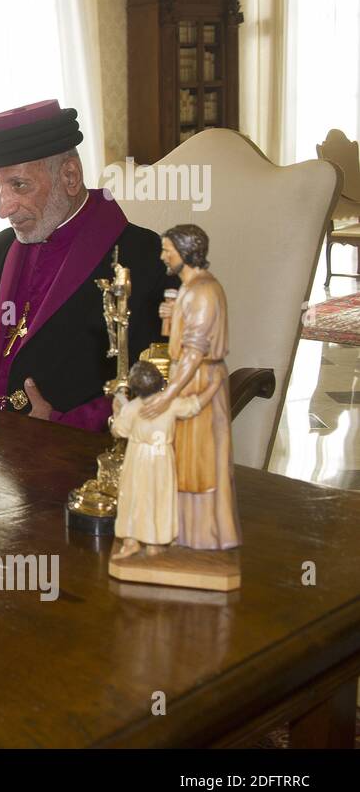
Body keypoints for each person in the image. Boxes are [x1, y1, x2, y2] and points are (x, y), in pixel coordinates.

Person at [0, 99, 172, 431]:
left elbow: (160, 377)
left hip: (82, 464)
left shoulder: (142, 256)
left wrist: (61, 426)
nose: (3, 208)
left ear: (70, 176)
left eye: (19, 185)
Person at [143, 224, 240, 550]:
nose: (162, 257)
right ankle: (182, 532)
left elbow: (195, 353)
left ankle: (202, 536)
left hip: (199, 382)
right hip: (189, 377)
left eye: (167, 251)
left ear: (185, 253)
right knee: (183, 463)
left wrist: (167, 396)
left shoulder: (202, 292)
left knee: (200, 466)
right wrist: (175, 318)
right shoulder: (189, 289)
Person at [110, 361, 206, 561]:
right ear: (159, 382)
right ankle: (155, 541)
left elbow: (119, 430)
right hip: (161, 457)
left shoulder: (133, 408)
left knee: (135, 497)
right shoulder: (170, 403)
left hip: (137, 456)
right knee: (158, 497)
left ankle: (132, 541)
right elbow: (193, 406)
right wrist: (211, 390)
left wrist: (117, 411)